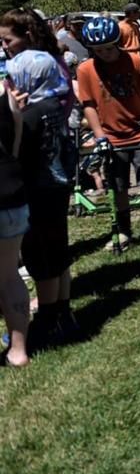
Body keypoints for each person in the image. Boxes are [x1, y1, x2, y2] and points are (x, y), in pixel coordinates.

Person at [1, 9, 77, 346]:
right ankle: (63, 313)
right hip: (59, 186)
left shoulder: (29, 114)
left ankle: (47, 321)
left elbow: (14, 152)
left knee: (40, 258)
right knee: (59, 251)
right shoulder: (52, 105)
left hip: (35, 189)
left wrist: (12, 116)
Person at [76, 16, 140, 251]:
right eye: (98, 50)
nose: (105, 54)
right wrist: (99, 136)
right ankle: (124, 230)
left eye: (109, 48)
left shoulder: (134, 60)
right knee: (118, 187)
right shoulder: (86, 69)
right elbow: (88, 104)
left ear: (117, 43)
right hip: (111, 137)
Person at [0, 85, 31, 367]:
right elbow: (15, 147)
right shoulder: (5, 91)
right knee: (9, 275)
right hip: (11, 192)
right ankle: (18, 352)